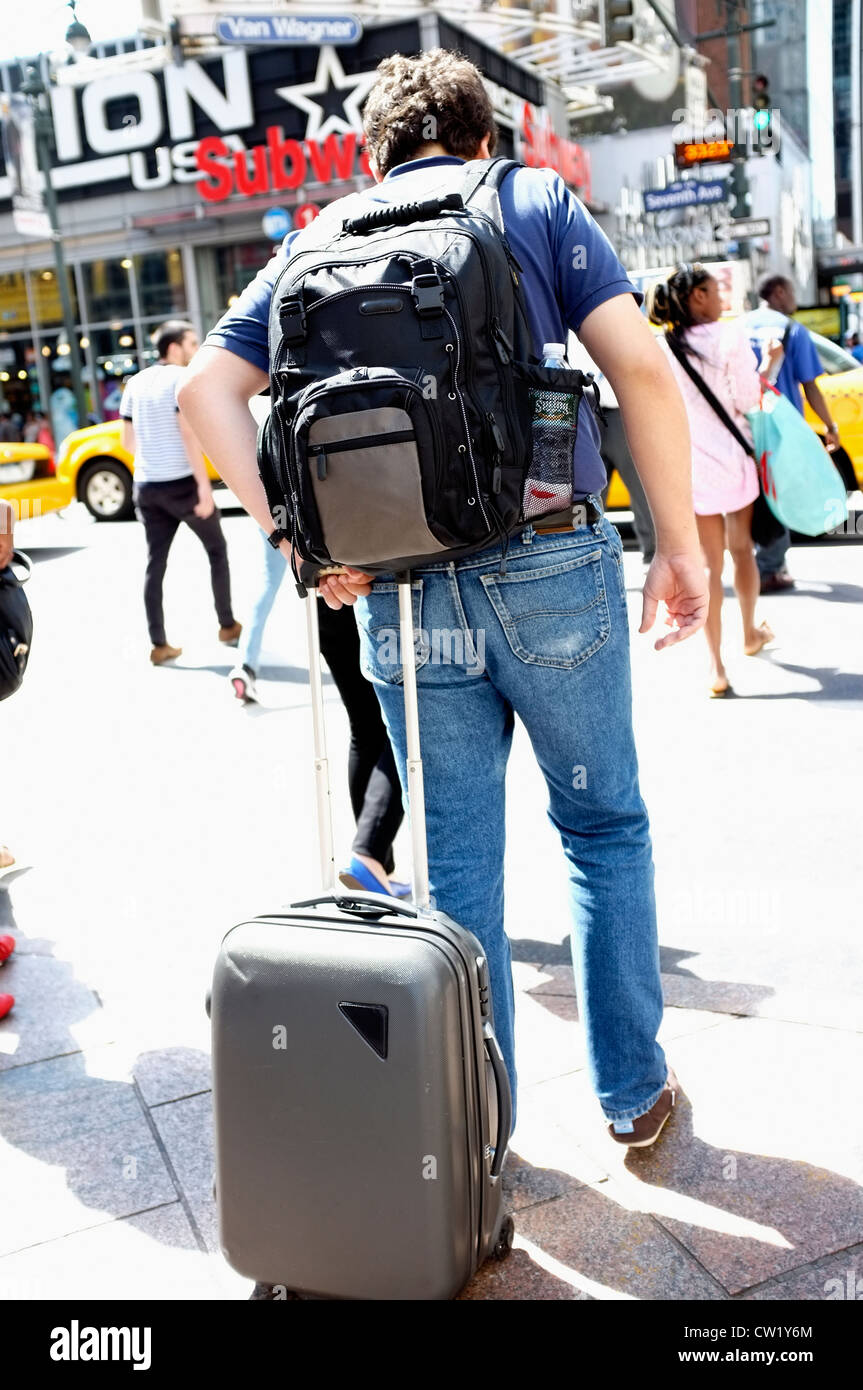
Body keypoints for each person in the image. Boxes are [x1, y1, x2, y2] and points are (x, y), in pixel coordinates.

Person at [179, 49, 709, 1152]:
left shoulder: (316, 239)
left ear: (374, 153)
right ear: (481, 137)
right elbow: (641, 370)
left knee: (457, 873)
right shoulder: (526, 197)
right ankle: (631, 1094)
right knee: (601, 823)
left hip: (400, 600)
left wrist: (291, 540)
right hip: (548, 562)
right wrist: (673, 544)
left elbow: (204, 392)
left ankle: (476, 1133)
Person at [229, 527, 409, 897]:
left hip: (324, 581)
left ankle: (376, 869)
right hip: (378, 578)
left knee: (365, 726)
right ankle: (370, 854)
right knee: (407, 722)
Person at [648, 265, 782, 697]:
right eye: (714, 291)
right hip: (734, 461)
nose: (722, 298)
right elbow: (746, 399)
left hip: (693, 468)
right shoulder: (730, 337)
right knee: (743, 551)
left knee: (709, 566)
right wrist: (771, 365)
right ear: (697, 298)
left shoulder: (665, 346)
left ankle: (716, 668)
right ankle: (748, 632)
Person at [120, 320, 242, 665]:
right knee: (217, 549)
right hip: (182, 485)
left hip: (146, 487)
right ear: (174, 347)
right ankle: (227, 626)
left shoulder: (135, 383)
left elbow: (127, 443)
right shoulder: (180, 380)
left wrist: (154, 456)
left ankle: (159, 644)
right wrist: (205, 490)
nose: (195, 347)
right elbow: (189, 435)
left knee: (154, 564)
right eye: (191, 342)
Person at [744, 275, 840, 592]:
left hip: (741, 423)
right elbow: (810, 385)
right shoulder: (791, 329)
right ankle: (769, 567)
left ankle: (761, 562)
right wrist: (830, 425)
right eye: (793, 292)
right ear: (780, 292)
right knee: (777, 491)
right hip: (779, 426)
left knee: (752, 493)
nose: (795, 300)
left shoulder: (737, 328)